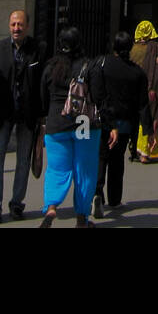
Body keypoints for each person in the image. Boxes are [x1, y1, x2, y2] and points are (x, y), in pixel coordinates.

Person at [0, 8, 43, 225]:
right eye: (13, 24)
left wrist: (42, 116)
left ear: (27, 26)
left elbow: (43, 84)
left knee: (23, 160)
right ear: (9, 26)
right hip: (1, 111)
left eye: (20, 25)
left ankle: (17, 202)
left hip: (26, 113)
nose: (17, 28)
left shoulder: (38, 49)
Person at [38, 26, 107, 228]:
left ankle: (51, 207)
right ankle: (81, 218)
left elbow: (42, 97)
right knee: (84, 170)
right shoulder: (88, 65)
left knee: (56, 169)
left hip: (56, 123)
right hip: (82, 123)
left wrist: (45, 118)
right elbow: (97, 96)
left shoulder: (51, 67)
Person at [94, 30, 151, 218]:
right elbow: (143, 104)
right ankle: (115, 199)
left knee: (101, 157)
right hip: (124, 122)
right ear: (130, 47)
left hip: (103, 120)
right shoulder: (137, 73)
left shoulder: (102, 65)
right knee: (117, 160)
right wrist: (148, 131)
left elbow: (97, 93)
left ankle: (97, 192)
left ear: (114, 47)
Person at [130, 20, 158, 163]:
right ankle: (146, 151)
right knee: (150, 119)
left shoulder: (133, 50)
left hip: (135, 90)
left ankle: (137, 149)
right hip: (152, 91)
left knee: (137, 121)